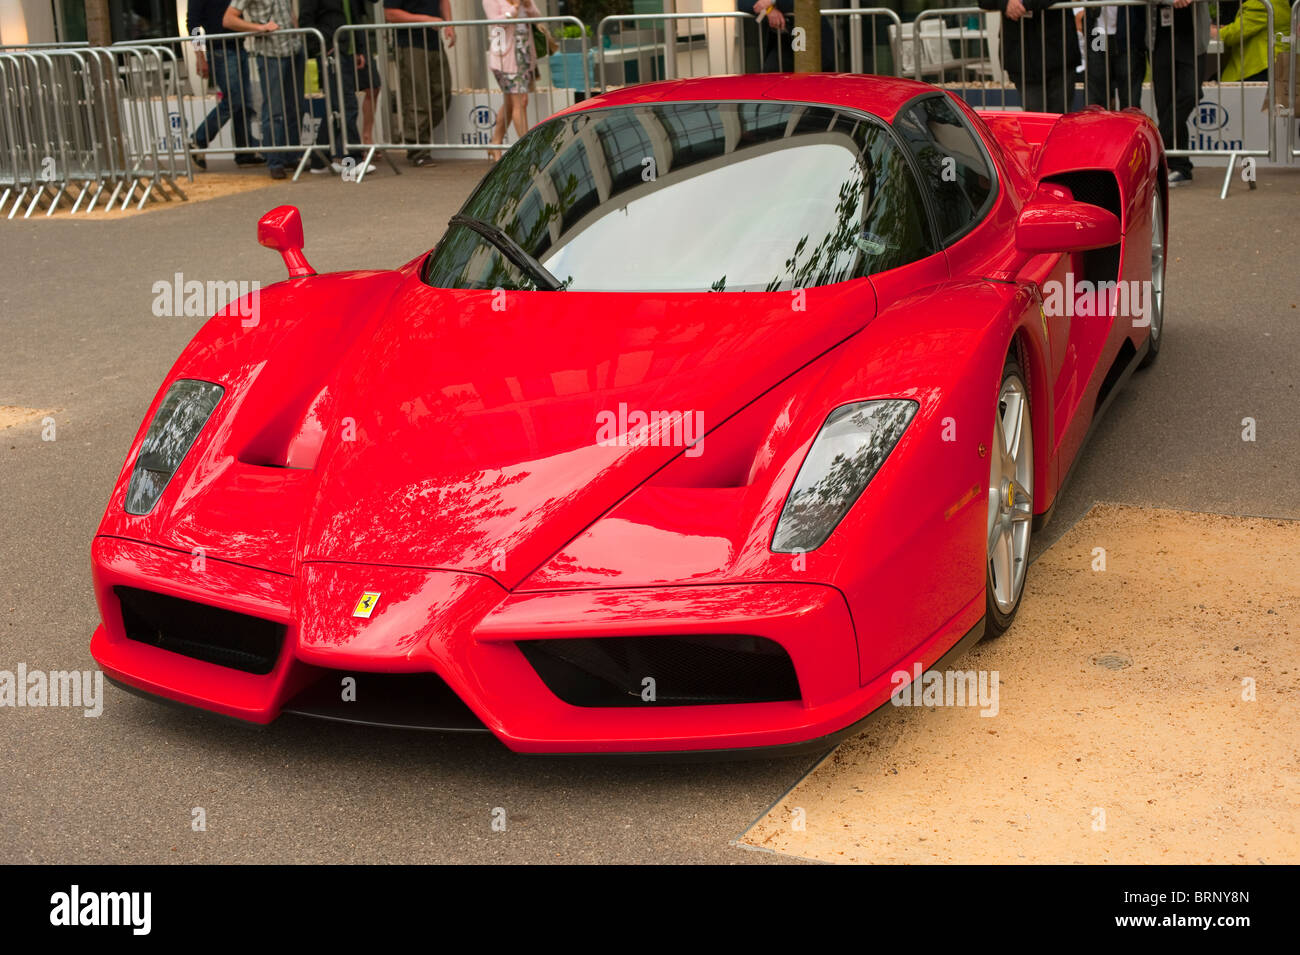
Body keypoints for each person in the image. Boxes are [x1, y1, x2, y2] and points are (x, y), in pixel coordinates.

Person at [223, 0, 306, 180]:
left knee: (295, 107)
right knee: (269, 110)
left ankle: (290, 155)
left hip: (292, 48)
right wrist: (259, 28)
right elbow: (223, 20)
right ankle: (274, 161)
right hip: (263, 53)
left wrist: (298, 32)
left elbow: (289, 11)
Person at [299, 0, 378, 174]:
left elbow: (354, 19)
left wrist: (359, 49)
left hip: (346, 50)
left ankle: (320, 162)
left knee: (335, 107)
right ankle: (354, 160)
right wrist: (321, 46)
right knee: (346, 104)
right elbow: (305, 20)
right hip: (330, 52)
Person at [186, 0, 263, 167]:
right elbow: (192, 24)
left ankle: (245, 151)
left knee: (243, 101)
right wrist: (200, 56)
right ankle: (199, 139)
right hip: (221, 49)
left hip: (236, 46)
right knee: (234, 99)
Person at [383, 0, 456, 167]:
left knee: (442, 93)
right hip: (410, 43)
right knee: (417, 98)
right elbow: (390, 14)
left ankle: (415, 134)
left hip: (433, 43)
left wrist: (450, 24)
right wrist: (425, 19)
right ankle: (417, 149)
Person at [1147, 0, 1210, 186]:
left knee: (1191, 93)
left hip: (1192, 37)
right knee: (1165, 102)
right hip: (1160, 38)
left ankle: (1157, 139)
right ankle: (1180, 166)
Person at [978, 0, 1080, 113]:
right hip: (1021, 56)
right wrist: (1006, 3)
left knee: (1060, 117)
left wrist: (1022, 3)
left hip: (1059, 52)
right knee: (1035, 117)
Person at [484, 0, 553, 161]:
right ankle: (529, 150)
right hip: (504, 58)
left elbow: (536, 16)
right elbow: (495, 23)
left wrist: (527, 4)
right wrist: (513, 10)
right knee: (520, 101)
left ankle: (495, 144)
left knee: (511, 102)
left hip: (524, 56)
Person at [1074, 4, 1145, 109]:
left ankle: (1126, 125)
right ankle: (1098, 124)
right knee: (1095, 99)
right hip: (1098, 35)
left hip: (1126, 37)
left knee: (1129, 100)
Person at [742, 0, 834, 72]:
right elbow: (743, 3)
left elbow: (804, 3)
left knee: (812, 82)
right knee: (771, 73)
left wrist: (772, 1)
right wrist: (769, 10)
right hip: (783, 43)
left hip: (810, 41)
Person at [1214, 0, 1291, 82]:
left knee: (1209, 84)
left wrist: (1214, 32)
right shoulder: (1280, 2)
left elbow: (1234, 34)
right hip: (1277, 64)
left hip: (1258, 68)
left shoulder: (1260, 5)